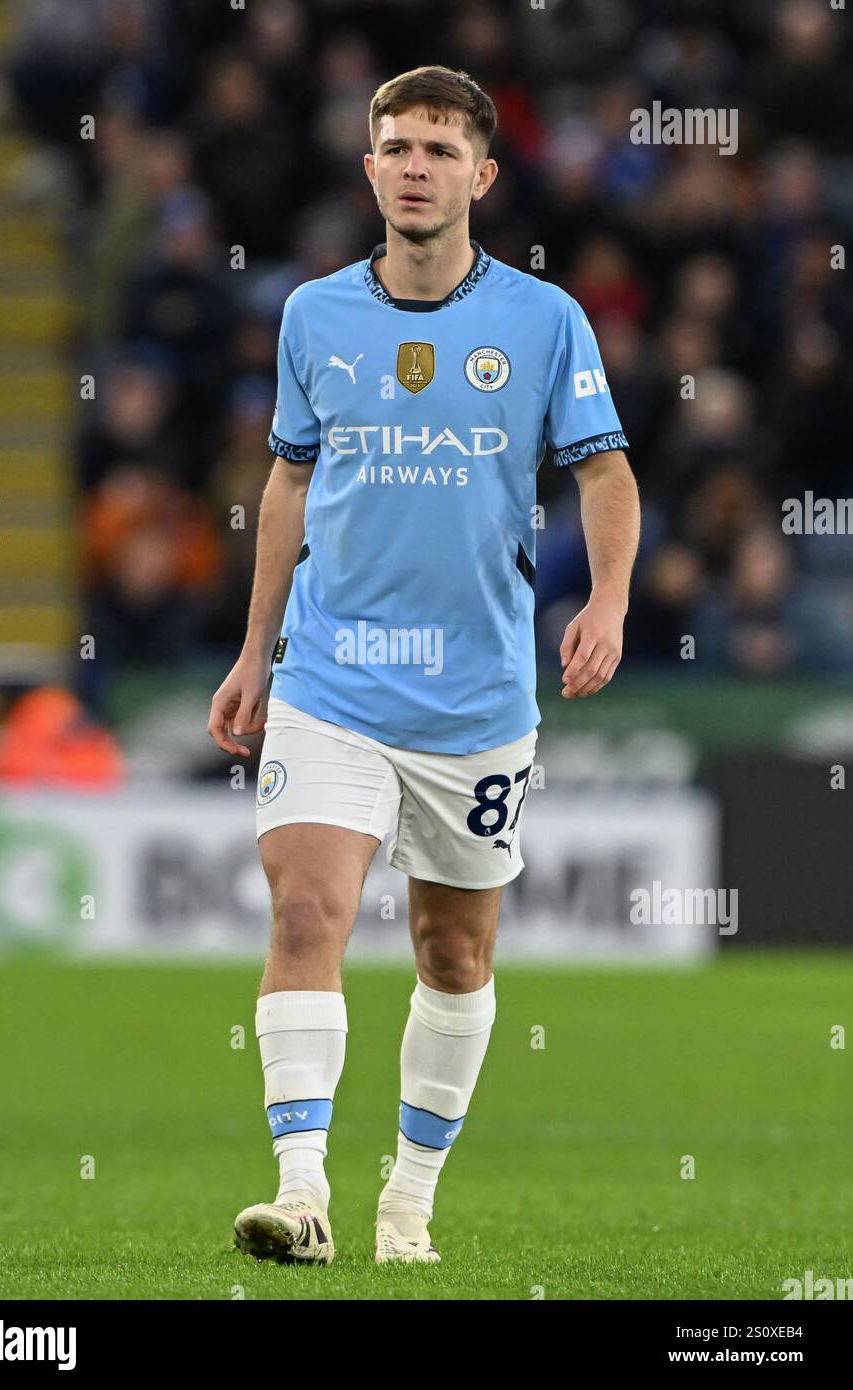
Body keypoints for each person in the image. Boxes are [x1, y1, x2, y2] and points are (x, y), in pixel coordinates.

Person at [207, 65, 640, 1265]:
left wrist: (605, 599)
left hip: (475, 694)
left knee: (453, 952)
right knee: (307, 909)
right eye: (395, 145)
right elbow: (287, 483)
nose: (414, 165)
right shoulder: (313, 317)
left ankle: (409, 1202)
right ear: (367, 169)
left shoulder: (544, 321)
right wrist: (256, 652)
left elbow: (603, 471)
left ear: (481, 178)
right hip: (330, 678)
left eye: (440, 151)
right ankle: (303, 1194)